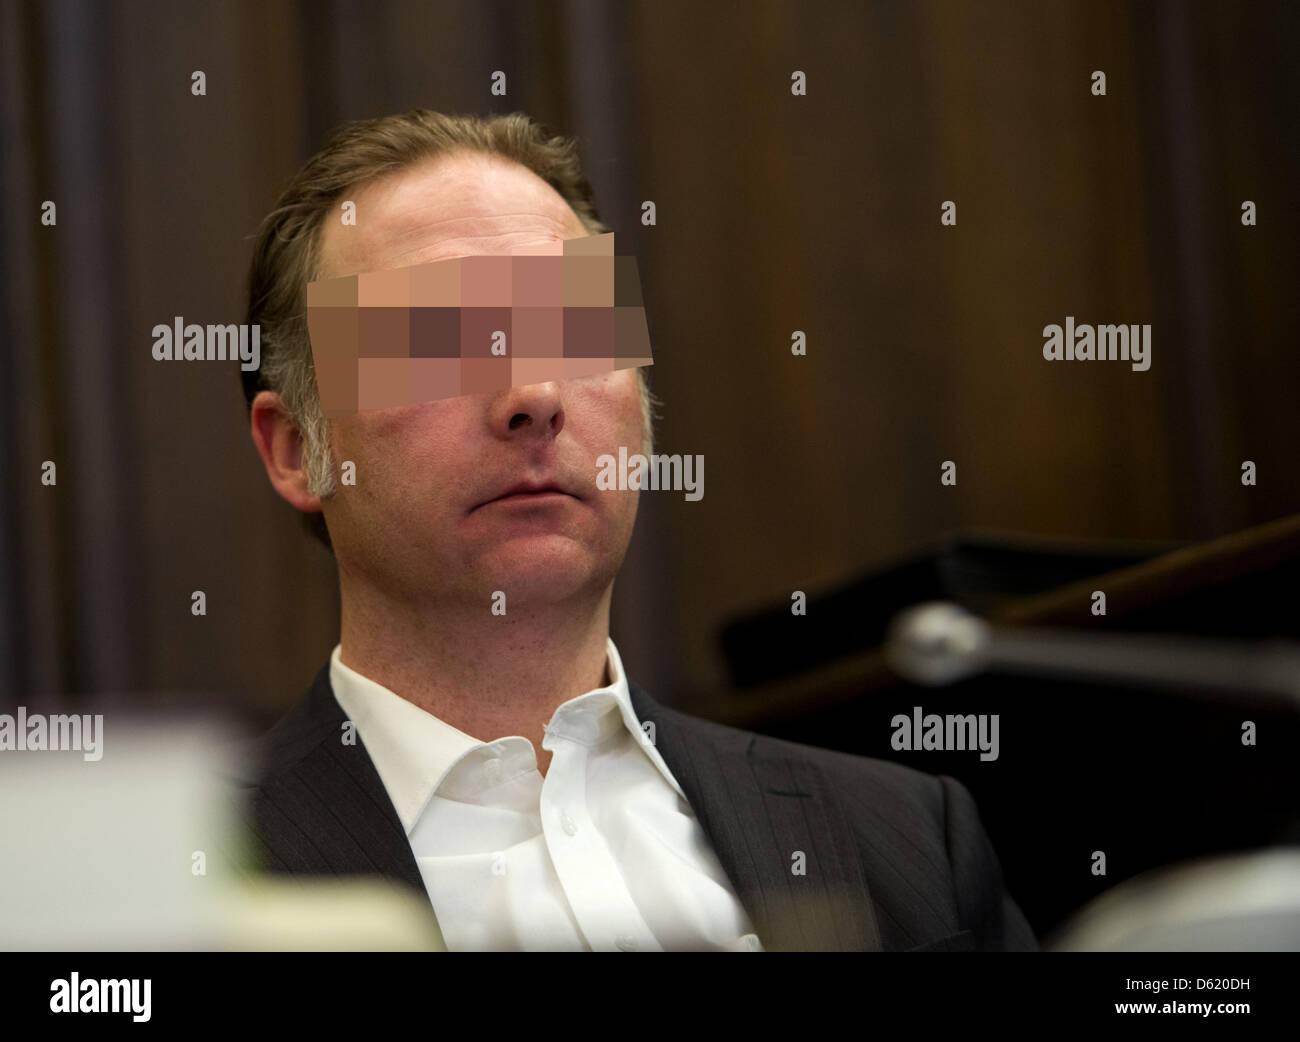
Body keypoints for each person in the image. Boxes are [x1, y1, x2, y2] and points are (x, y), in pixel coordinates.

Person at [234, 108, 1037, 952]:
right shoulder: (185, 880)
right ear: (296, 450)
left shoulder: (909, 838)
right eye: (439, 334)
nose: (533, 393)